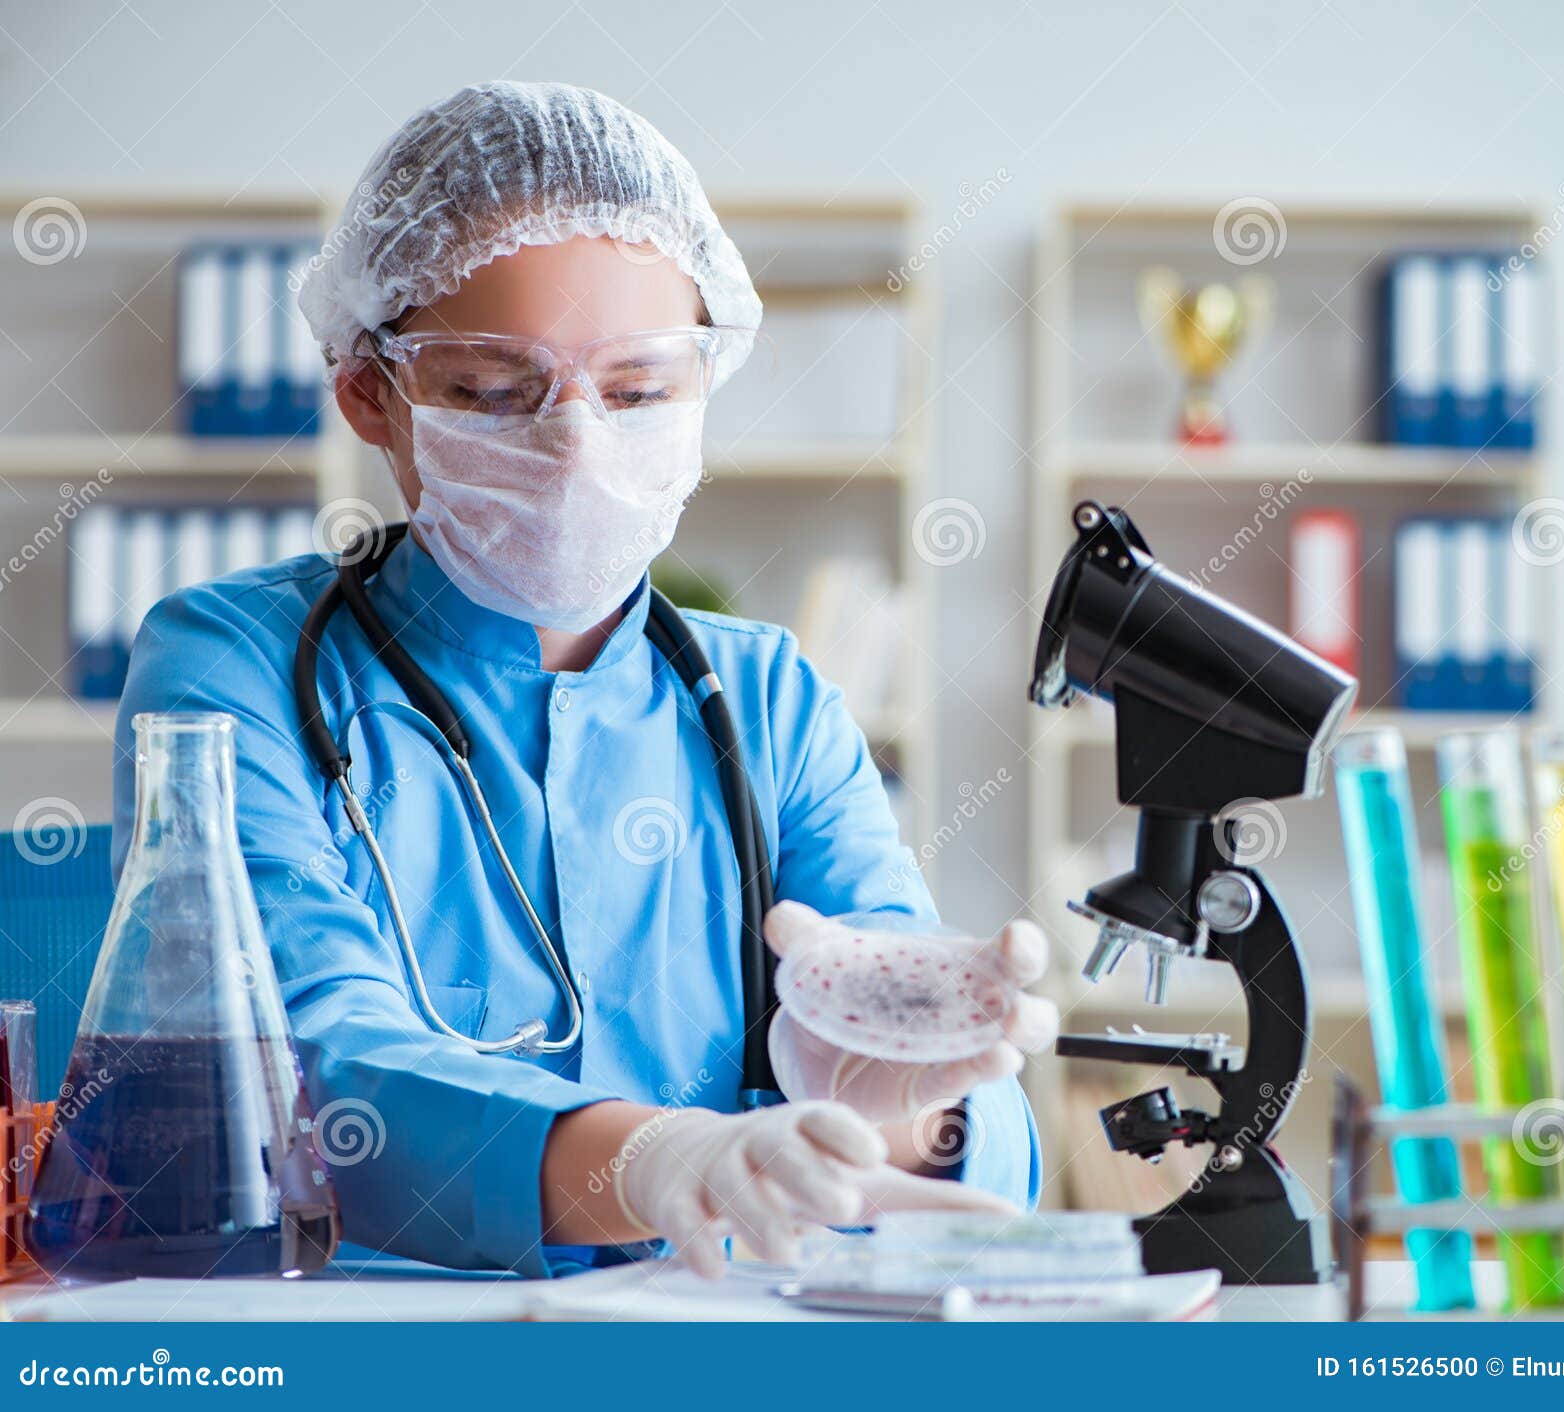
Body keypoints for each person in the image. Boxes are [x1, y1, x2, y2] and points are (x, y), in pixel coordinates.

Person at [113, 81, 1057, 1279]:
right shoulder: (230, 665)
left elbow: (902, 1014)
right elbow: (300, 1066)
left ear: (703, 385)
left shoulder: (769, 704)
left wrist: (911, 1114)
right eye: (493, 391)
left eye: (638, 391)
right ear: (369, 392)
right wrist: (658, 1161)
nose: (576, 444)